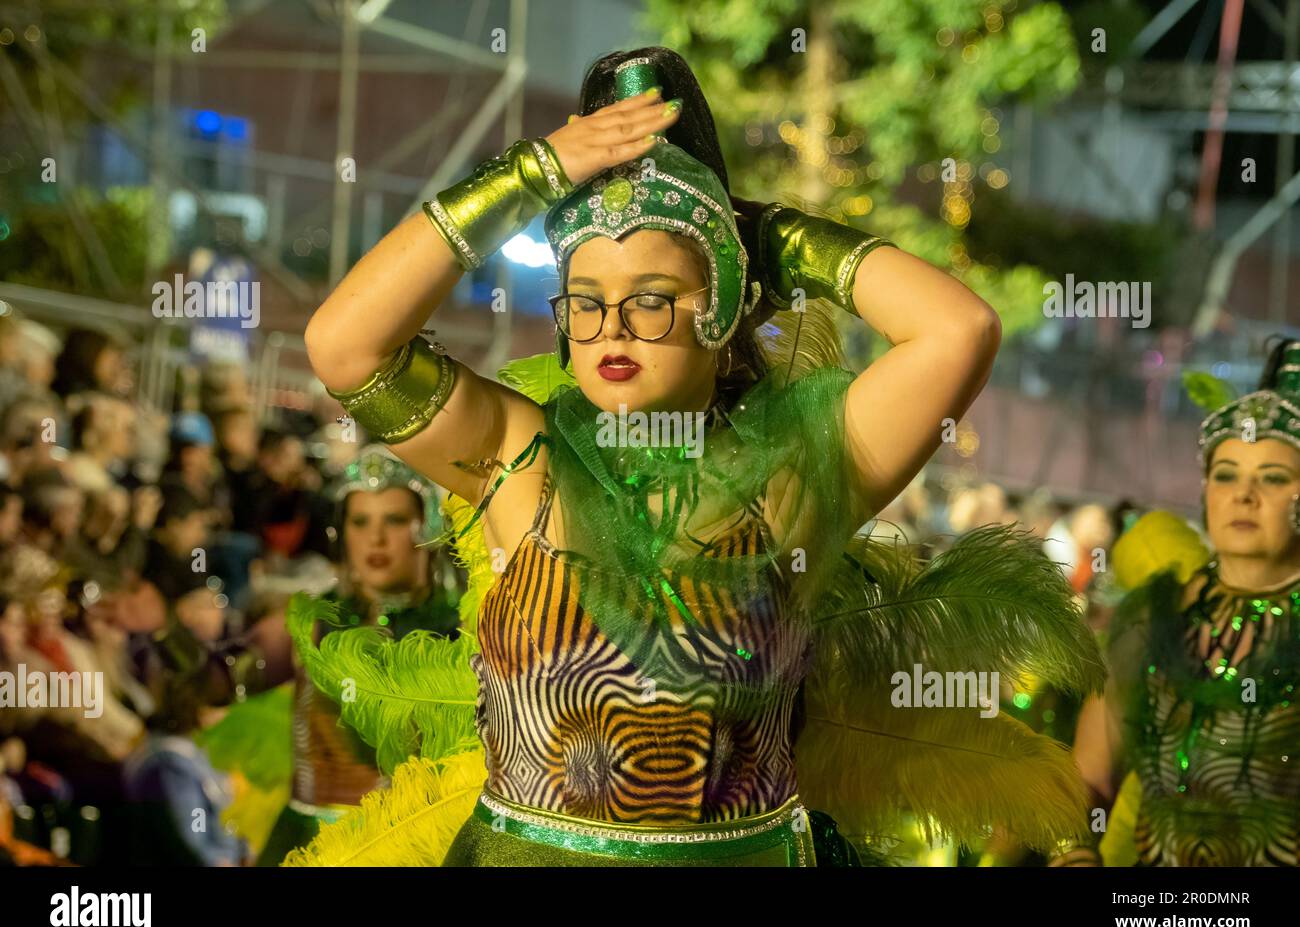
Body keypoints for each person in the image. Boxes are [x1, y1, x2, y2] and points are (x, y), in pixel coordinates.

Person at [297, 48, 1104, 867]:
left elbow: (959, 329)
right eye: (586, 301)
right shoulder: (520, 460)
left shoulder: (796, 479)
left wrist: (770, 235)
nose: (612, 326)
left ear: (721, 314)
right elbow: (344, 346)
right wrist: (531, 174)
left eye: (652, 298)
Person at [1064, 339, 1300, 866]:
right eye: (1227, 474)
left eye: (1273, 478)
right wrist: (1073, 852)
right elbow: (1088, 777)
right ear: (1206, 490)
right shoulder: (1156, 614)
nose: (1244, 494)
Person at [252, 445, 461, 865]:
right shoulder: (309, 622)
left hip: (415, 849)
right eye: (360, 521)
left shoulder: (462, 630)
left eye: (395, 520)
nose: (376, 538)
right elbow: (217, 678)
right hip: (312, 845)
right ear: (342, 533)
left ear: (428, 528)